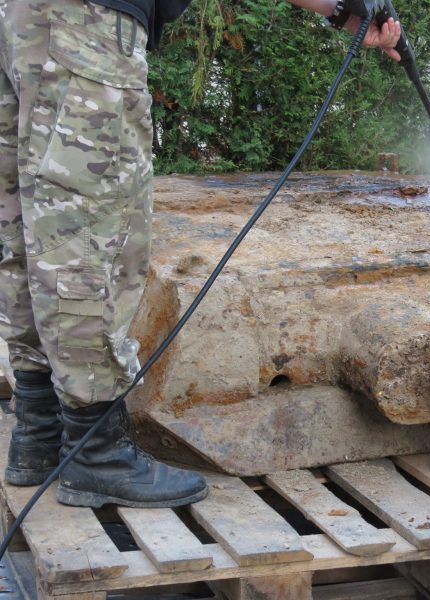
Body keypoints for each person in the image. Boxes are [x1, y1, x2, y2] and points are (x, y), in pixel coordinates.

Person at [0, 0, 400, 508]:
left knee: (34, 224)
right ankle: (94, 452)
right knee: (89, 237)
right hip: (87, 24)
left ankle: (38, 433)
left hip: (22, 19)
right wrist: (344, 8)